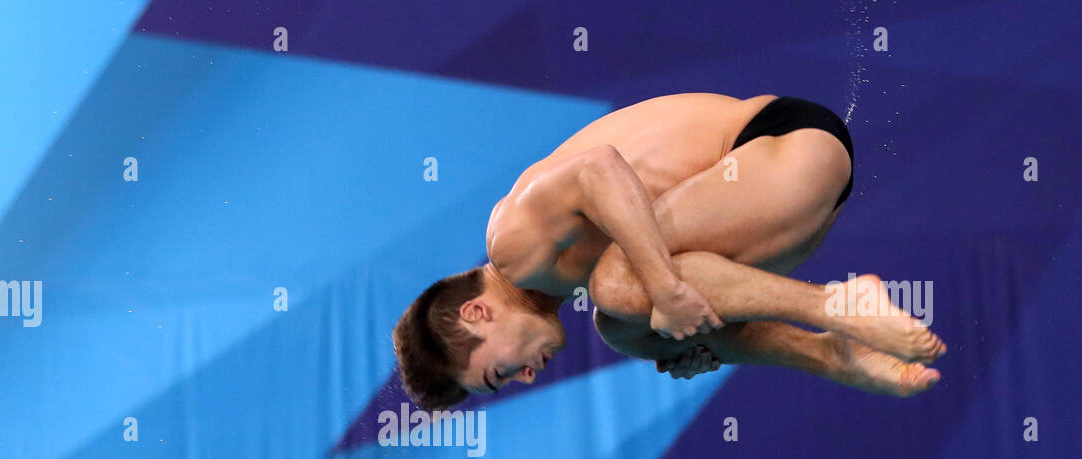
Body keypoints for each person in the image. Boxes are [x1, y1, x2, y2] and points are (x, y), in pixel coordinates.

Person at [392, 93, 946, 409]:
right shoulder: (560, 283)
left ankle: (840, 303)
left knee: (622, 288)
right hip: (790, 195)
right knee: (628, 329)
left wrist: (664, 288)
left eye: (499, 373)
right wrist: (694, 336)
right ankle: (829, 355)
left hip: (778, 144)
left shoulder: (511, 243)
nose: (526, 377)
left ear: (476, 312)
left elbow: (598, 167)